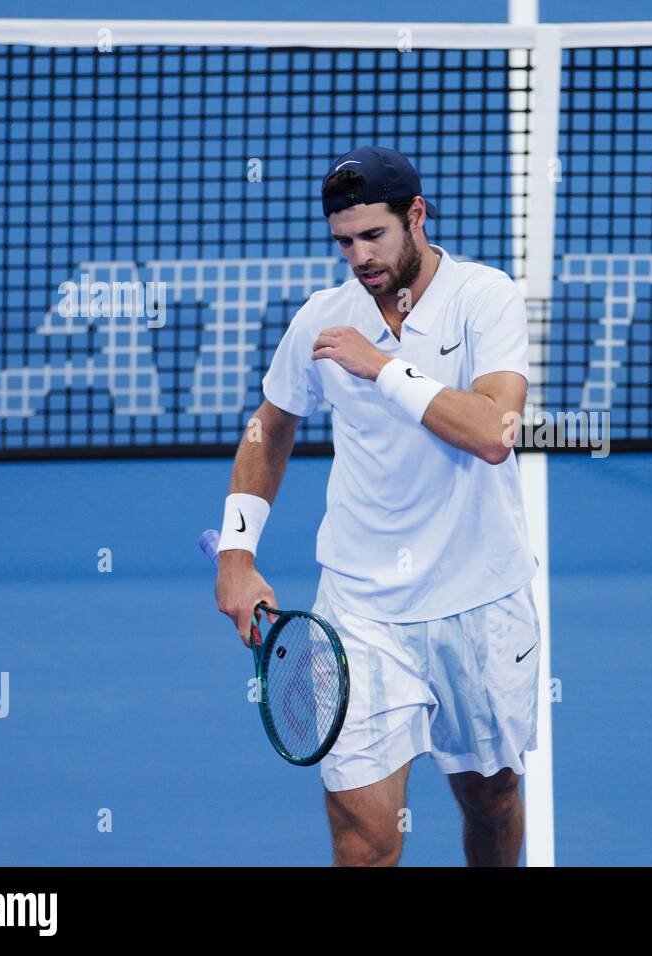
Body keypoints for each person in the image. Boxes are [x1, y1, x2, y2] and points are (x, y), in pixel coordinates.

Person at [214, 145, 539, 867]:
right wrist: (237, 552)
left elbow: (494, 432)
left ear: (416, 215)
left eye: (373, 235)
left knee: (491, 799)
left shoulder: (485, 298)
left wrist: (383, 367)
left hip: (481, 605)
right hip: (360, 614)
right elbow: (270, 425)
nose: (359, 256)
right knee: (366, 845)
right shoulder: (323, 319)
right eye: (344, 241)